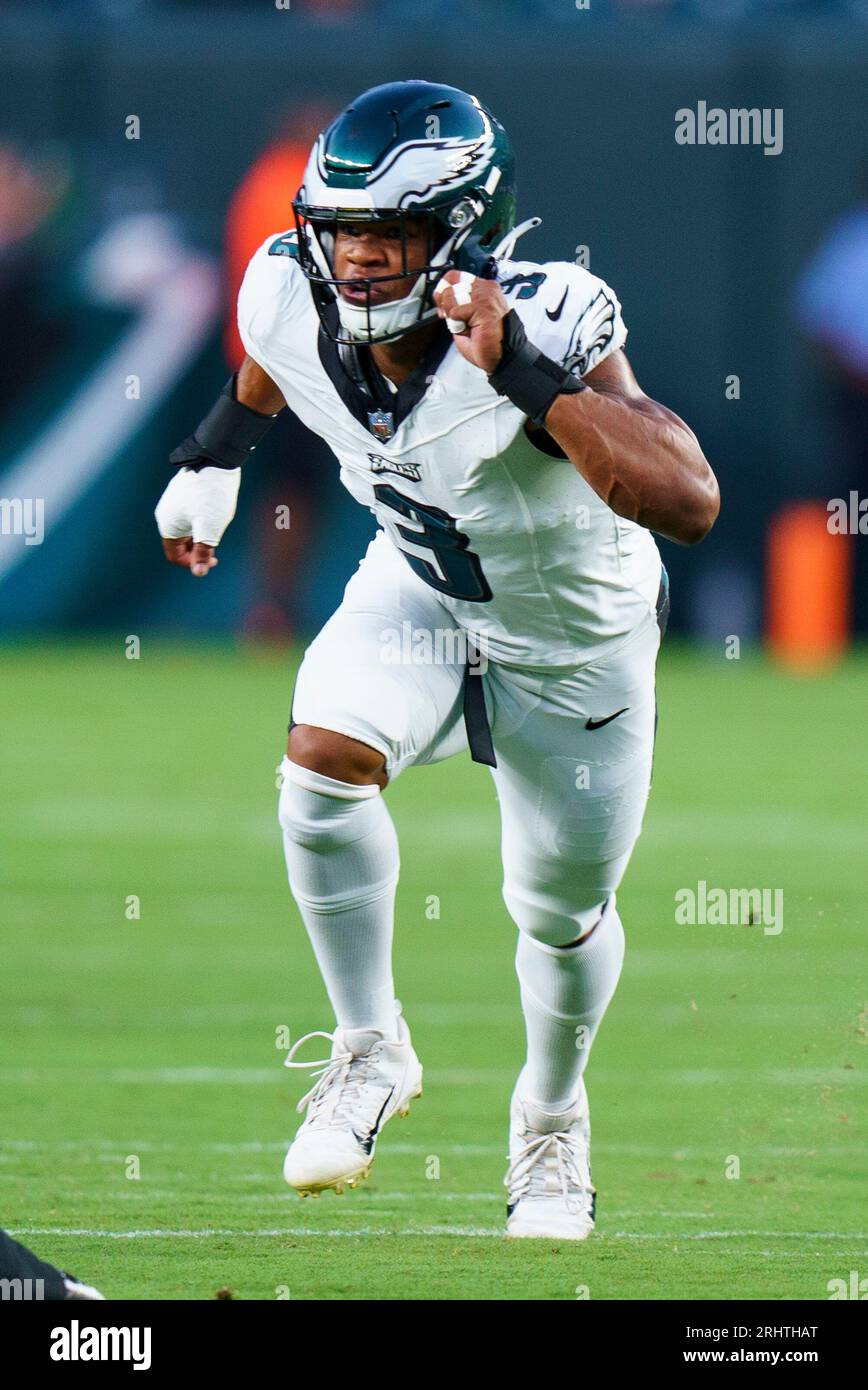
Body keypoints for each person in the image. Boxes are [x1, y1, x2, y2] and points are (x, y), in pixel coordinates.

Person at [155, 80, 719, 1241]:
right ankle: (369, 1047)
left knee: (557, 911)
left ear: (460, 232)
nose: (356, 263)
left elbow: (686, 497)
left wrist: (523, 374)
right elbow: (270, 358)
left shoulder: (548, 314)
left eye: (389, 237)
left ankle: (551, 1120)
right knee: (320, 762)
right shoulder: (285, 285)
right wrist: (215, 454)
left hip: (576, 639)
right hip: (423, 587)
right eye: (343, 231)